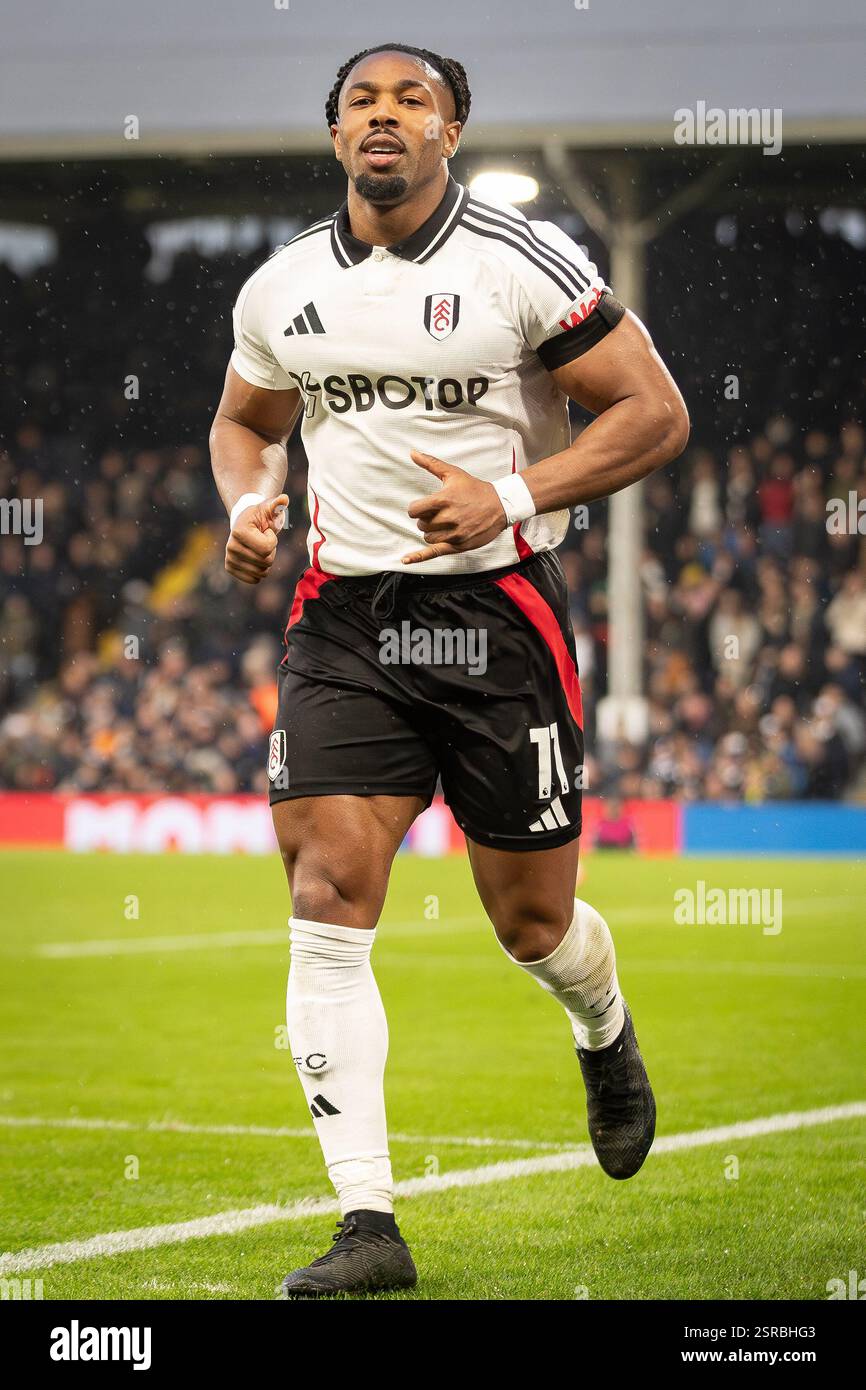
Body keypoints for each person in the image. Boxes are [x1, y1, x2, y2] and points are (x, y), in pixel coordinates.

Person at [209, 41, 689, 1298]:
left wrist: (513, 494)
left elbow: (653, 411)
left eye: (410, 99)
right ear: (334, 137)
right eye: (361, 101)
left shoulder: (519, 264)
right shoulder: (280, 288)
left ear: (450, 132)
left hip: (495, 623)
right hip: (344, 624)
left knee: (529, 924)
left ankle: (602, 1027)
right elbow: (243, 421)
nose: (384, 116)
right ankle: (369, 1224)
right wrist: (250, 500)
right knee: (323, 888)